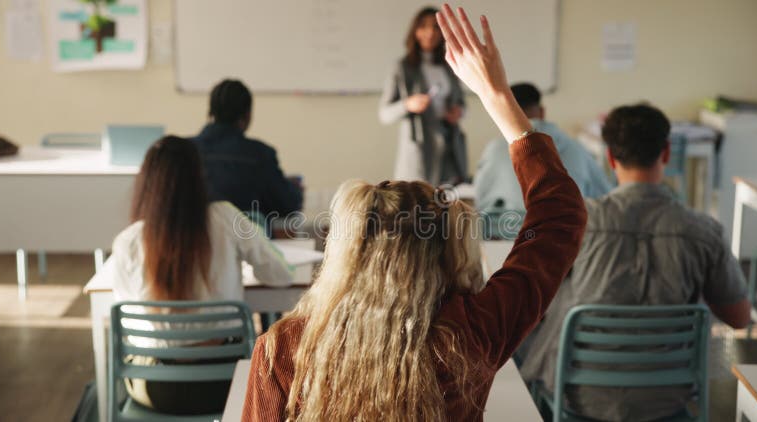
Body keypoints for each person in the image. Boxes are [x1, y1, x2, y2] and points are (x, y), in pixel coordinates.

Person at [242, 6, 587, 420]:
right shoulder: (475, 330)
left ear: (349, 246)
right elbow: (560, 216)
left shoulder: (281, 348)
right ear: (446, 246)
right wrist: (498, 98)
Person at [518, 104, 751, 421]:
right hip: (667, 400)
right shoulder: (704, 232)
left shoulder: (578, 222)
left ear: (610, 158)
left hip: (579, 396)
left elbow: (534, 297)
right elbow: (739, 317)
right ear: (666, 153)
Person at [107, 136, 294, 415]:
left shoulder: (128, 242)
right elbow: (281, 275)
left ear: (145, 183)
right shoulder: (226, 218)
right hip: (225, 384)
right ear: (198, 176)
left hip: (154, 388)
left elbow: (128, 317)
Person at [475, 82, 612, 238]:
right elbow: (605, 195)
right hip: (567, 240)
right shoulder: (576, 148)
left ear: (503, 114)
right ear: (542, 112)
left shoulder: (496, 150)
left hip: (512, 239)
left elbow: (481, 201)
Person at [379, 6, 468, 185]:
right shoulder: (402, 67)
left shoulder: (449, 66)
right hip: (419, 149)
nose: (430, 32)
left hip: (450, 147)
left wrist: (459, 112)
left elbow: (462, 105)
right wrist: (408, 104)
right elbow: (384, 114)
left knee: (449, 197)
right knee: (417, 198)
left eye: (436, 27)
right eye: (424, 26)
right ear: (415, 31)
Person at [191, 79, 303, 219]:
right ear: (247, 115)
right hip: (245, 233)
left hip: (196, 233)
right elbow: (287, 205)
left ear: (210, 111)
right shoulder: (261, 155)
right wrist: (295, 190)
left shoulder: (184, 152)